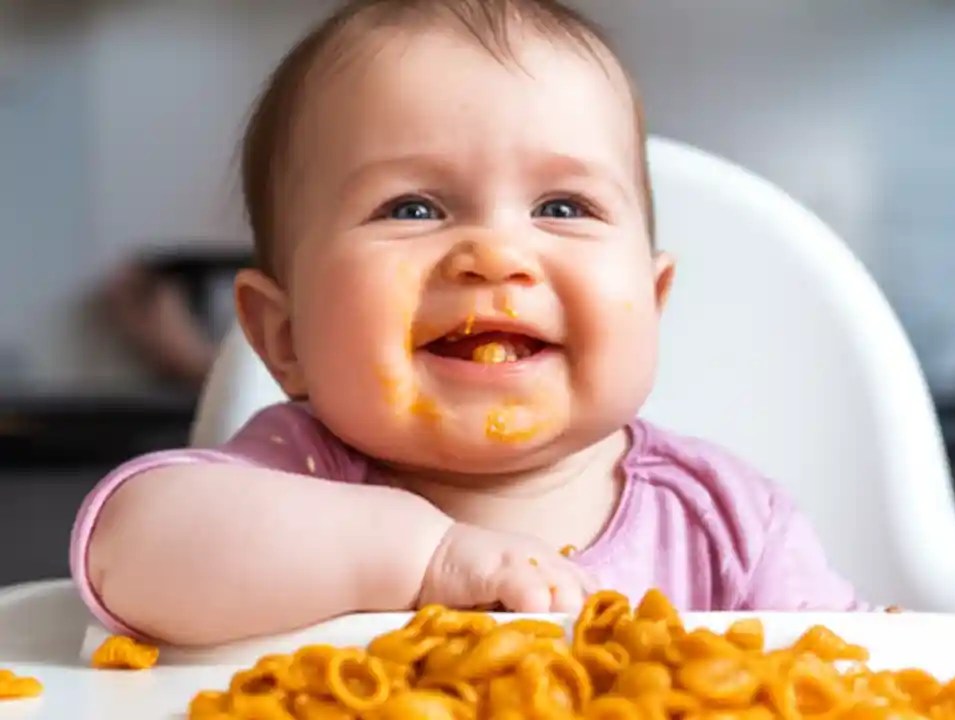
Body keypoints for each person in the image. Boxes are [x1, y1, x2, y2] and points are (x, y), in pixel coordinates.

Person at [70, 0, 865, 646]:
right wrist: (424, 558)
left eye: (563, 207)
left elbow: (865, 680)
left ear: (652, 305)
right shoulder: (295, 478)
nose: (495, 256)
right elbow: (126, 552)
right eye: (412, 208)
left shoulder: (726, 524)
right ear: (284, 336)